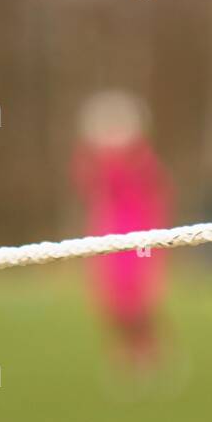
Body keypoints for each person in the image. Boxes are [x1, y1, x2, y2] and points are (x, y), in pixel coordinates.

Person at [71, 90, 174, 377]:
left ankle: (151, 353)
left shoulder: (143, 160)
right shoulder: (98, 163)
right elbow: (84, 181)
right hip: (108, 232)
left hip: (140, 233)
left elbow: (158, 189)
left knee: (139, 303)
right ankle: (124, 356)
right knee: (110, 302)